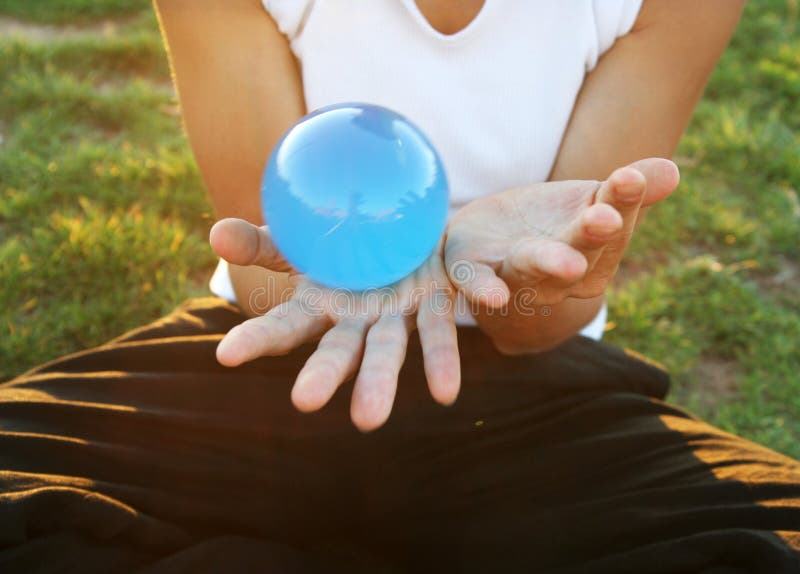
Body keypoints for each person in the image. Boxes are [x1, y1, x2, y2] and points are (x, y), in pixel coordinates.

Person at [1, 0, 798, 572]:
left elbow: (540, 322)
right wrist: (335, 282)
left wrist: (508, 288)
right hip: (273, 351)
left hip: (530, 392)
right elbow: (264, 266)